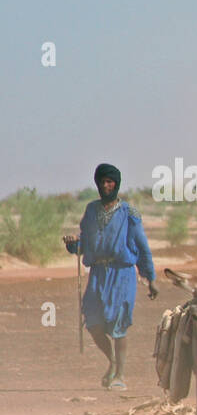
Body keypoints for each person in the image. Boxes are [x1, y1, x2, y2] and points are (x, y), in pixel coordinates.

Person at [62, 163, 158, 390]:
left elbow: (142, 248)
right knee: (94, 323)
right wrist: (73, 245)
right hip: (97, 274)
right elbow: (84, 244)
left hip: (122, 274)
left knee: (118, 324)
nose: (106, 186)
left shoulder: (129, 214)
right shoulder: (91, 210)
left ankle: (119, 375)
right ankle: (112, 361)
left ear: (116, 184)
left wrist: (150, 278)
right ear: (98, 184)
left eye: (110, 182)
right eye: (102, 182)